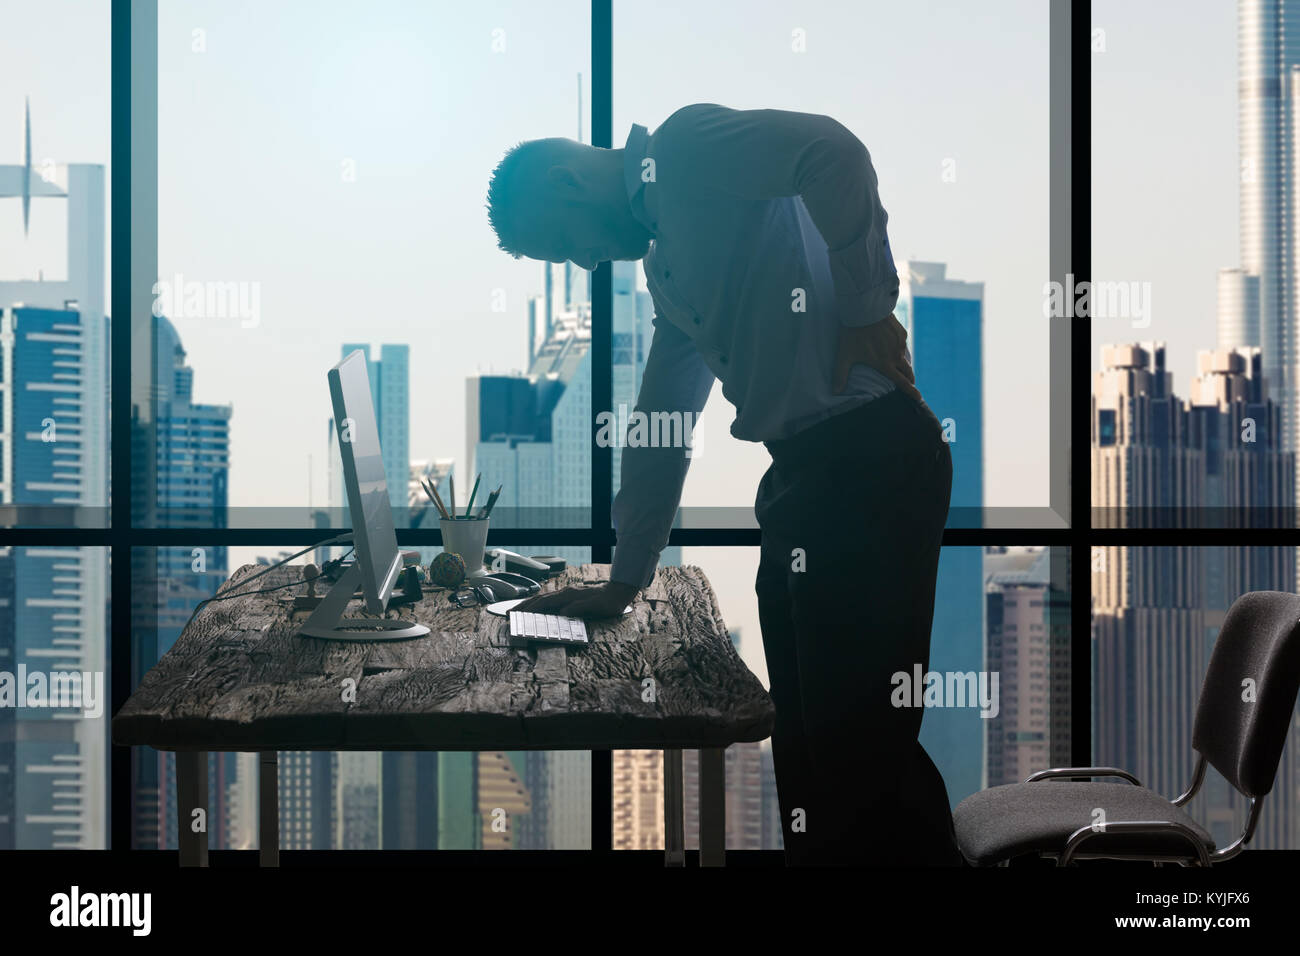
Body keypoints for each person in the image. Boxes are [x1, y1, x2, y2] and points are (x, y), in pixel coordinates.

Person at [491, 104, 958, 865]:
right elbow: (663, 420)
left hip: (870, 464)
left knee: (859, 750)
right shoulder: (669, 270)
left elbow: (833, 152)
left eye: (565, 244)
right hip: (804, 480)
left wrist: (868, 309)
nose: (583, 262)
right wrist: (627, 579)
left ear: (567, 177)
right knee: (806, 749)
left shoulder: (686, 148)